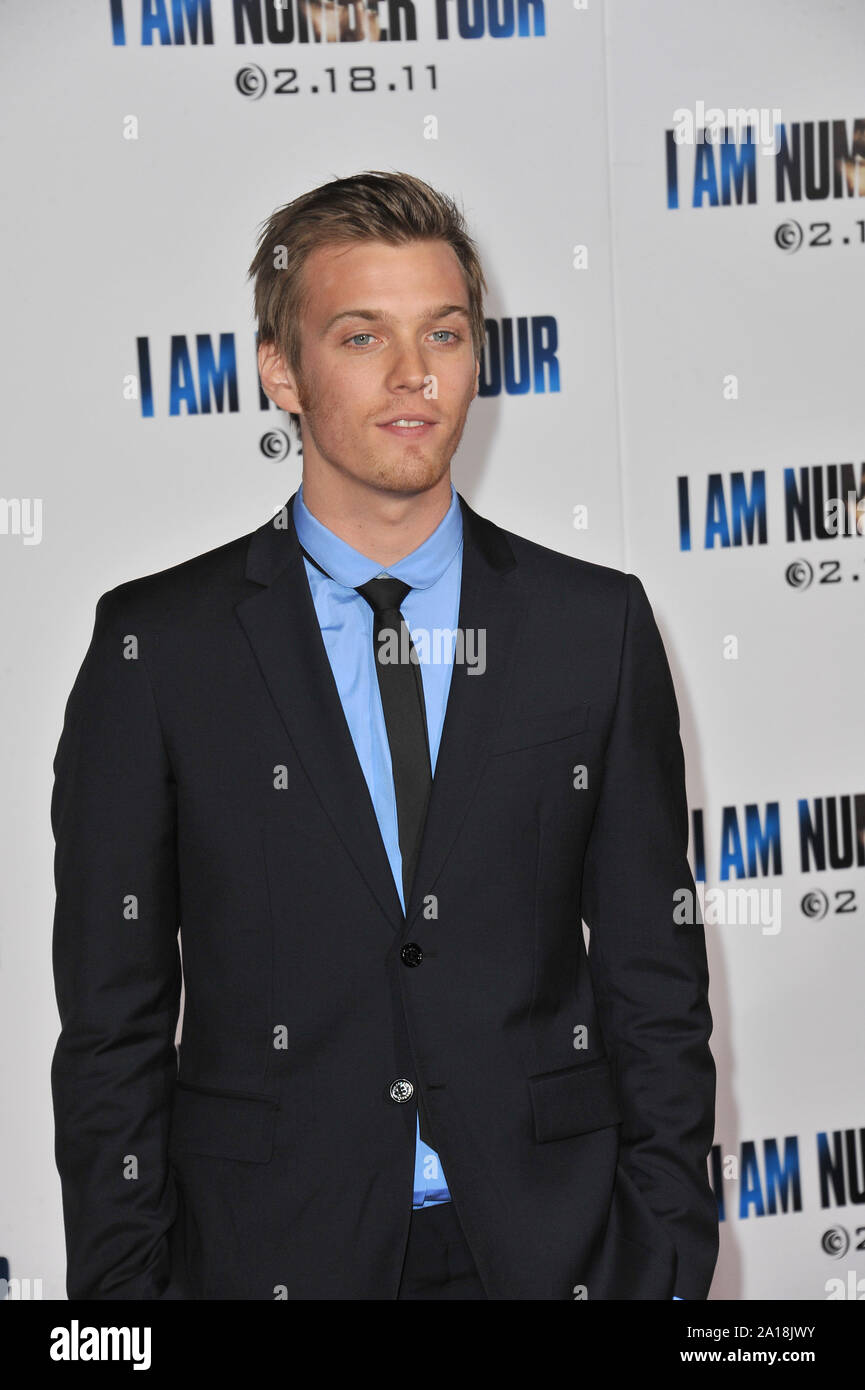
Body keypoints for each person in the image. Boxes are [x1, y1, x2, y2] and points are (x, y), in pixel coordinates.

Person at [50, 170, 718, 1300]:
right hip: (266, 1255)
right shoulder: (158, 649)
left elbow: (656, 981)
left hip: (557, 1253)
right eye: (361, 336)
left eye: (443, 333)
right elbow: (110, 1028)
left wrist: (661, 1255)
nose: (413, 375)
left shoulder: (590, 626)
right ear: (281, 372)